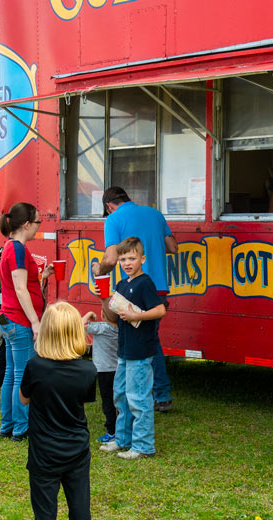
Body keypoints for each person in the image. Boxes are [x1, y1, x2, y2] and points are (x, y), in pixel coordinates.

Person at [92, 186, 177, 412]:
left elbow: (110, 259)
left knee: (136, 342)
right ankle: (161, 394)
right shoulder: (155, 214)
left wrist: (97, 270)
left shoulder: (113, 220)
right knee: (150, 339)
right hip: (158, 287)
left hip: (133, 289)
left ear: (109, 206)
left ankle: (148, 393)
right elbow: (173, 247)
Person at [19, 301, 96, 520]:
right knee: (81, 510)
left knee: (45, 512)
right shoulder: (88, 370)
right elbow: (81, 404)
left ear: (46, 332)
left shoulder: (35, 366)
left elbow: (23, 399)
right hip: (77, 448)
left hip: (44, 451)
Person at [98, 237, 166, 460]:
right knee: (121, 395)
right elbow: (114, 317)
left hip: (140, 350)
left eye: (132, 258)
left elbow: (160, 310)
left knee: (138, 398)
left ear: (142, 259)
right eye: (123, 258)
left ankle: (144, 445)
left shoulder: (145, 283)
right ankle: (124, 439)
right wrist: (105, 299)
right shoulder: (121, 284)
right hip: (124, 350)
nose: (127, 262)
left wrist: (138, 315)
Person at [0, 202, 54, 441]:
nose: (39, 227)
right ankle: (21, 428)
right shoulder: (18, 249)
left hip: (8, 318)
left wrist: (44, 276)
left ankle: (8, 424)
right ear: (27, 224)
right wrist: (35, 322)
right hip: (19, 320)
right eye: (38, 222)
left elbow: (20, 285)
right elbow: (20, 289)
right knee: (22, 374)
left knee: (12, 372)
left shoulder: (10, 247)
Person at [83, 299, 118, 444]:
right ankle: (122, 427)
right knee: (118, 400)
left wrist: (89, 313)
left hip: (104, 371)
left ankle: (111, 432)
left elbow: (78, 324)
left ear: (103, 314)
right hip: (118, 369)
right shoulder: (121, 328)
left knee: (107, 401)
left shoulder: (101, 327)